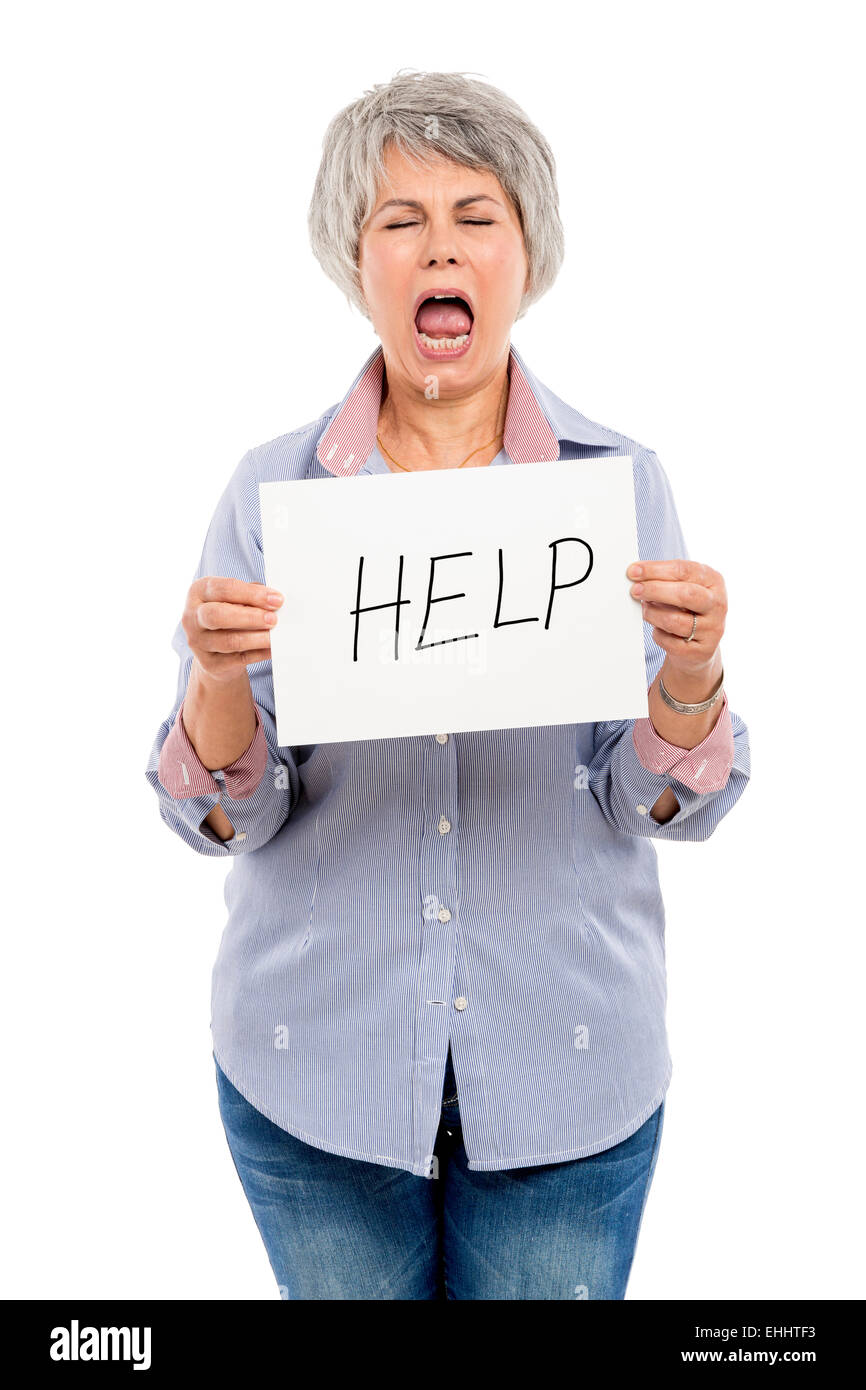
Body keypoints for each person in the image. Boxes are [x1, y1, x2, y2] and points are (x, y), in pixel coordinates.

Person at [146, 70, 750, 1300]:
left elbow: (645, 802)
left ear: (526, 255)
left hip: (567, 1093)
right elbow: (230, 812)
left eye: (476, 216)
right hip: (314, 1081)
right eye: (398, 220)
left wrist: (688, 679)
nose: (441, 246)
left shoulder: (616, 485)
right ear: (352, 261)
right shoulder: (273, 495)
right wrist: (215, 677)